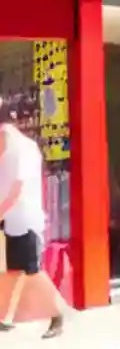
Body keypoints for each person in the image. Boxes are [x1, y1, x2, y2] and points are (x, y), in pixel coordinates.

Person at [0, 112, 66, 339]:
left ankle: (58, 315)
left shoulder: (23, 151)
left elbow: (16, 190)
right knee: (13, 272)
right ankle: (2, 316)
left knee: (33, 272)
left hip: (26, 221)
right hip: (13, 221)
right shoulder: (9, 151)